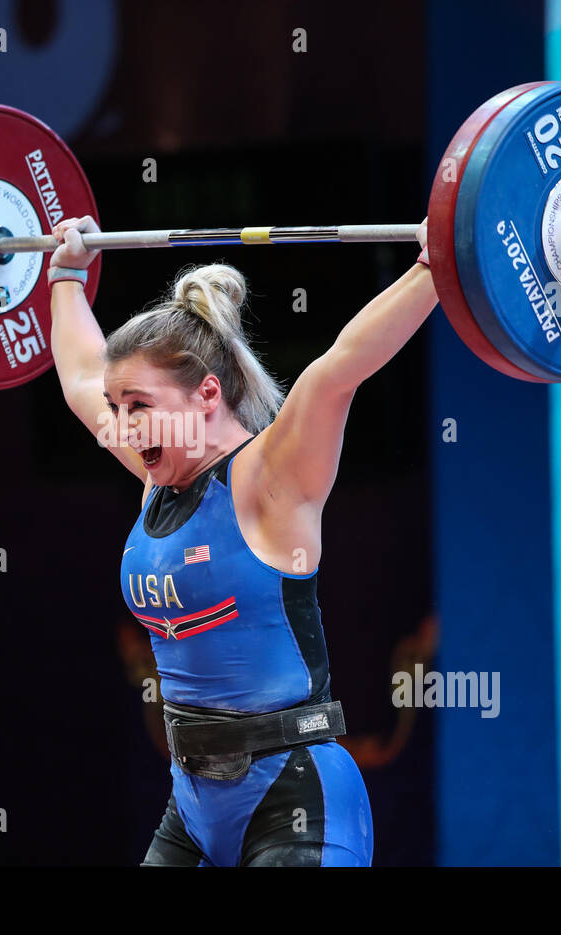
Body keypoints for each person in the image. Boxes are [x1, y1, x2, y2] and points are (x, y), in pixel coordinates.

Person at [47, 214, 436, 866]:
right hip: (194, 804)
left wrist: (435, 268)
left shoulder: (268, 480)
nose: (122, 423)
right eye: (121, 407)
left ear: (205, 396)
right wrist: (63, 275)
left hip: (295, 796)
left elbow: (338, 369)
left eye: (139, 405)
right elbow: (82, 381)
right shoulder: (155, 481)